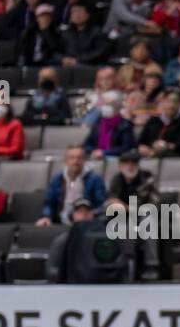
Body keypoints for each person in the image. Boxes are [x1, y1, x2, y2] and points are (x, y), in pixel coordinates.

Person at [105, 150, 162, 278]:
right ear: (120, 166)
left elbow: (154, 205)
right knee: (119, 224)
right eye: (126, 163)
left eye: (133, 163)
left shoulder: (147, 178)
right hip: (124, 217)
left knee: (148, 220)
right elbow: (111, 202)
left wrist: (126, 207)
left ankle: (151, 265)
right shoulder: (117, 180)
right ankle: (121, 266)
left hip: (145, 216)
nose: (130, 166)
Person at [38, 146, 108, 226]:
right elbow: (49, 203)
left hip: (85, 223)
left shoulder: (95, 179)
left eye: (79, 158)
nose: (75, 161)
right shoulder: (57, 179)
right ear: (66, 161)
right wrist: (46, 216)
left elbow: (102, 205)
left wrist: (91, 214)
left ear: (84, 160)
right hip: (58, 222)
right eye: (72, 158)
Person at [138, 90, 180, 157]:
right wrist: (143, 147)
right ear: (163, 102)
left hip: (172, 157)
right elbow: (142, 140)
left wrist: (166, 146)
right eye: (168, 101)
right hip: (147, 154)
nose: (171, 105)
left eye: (175, 102)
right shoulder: (152, 121)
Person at [83, 91, 137, 159]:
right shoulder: (98, 123)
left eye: (110, 104)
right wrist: (94, 151)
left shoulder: (125, 125)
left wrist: (105, 152)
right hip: (96, 157)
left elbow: (126, 147)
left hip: (116, 159)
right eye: (104, 104)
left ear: (118, 107)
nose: (105, 107)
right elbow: (86, 144)